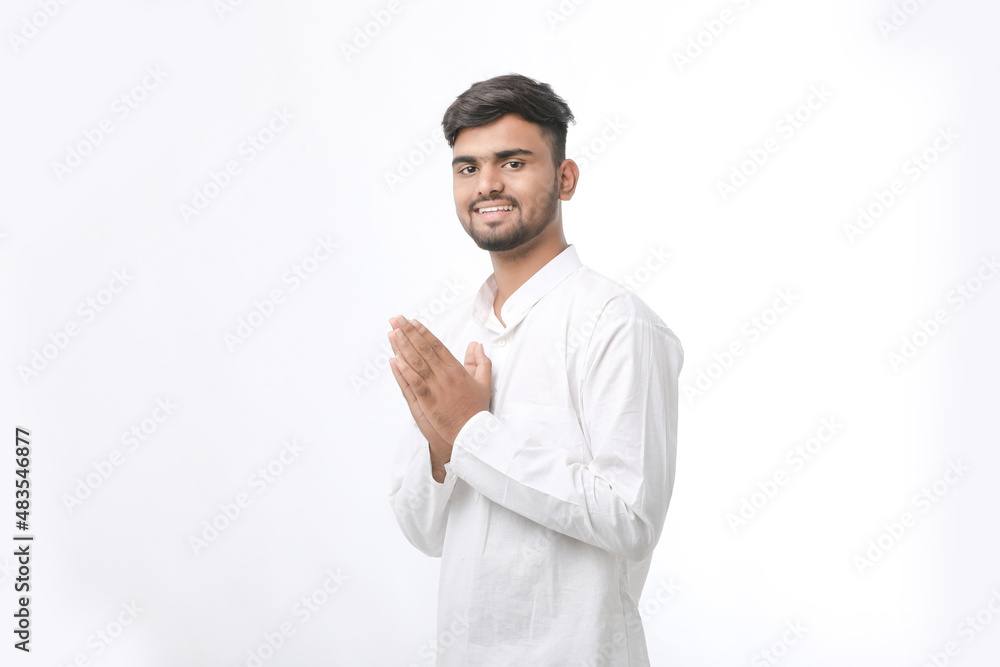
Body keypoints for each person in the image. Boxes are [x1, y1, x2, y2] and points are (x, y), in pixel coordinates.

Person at [386, 73, 683, 666]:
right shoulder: (455, 334)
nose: (487, 184)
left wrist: (471, 431)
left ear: (565, 179)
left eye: (513, 162)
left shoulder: (617, 324)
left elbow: (630, 519)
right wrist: (443, 447)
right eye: (466, 167)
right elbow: (425, 532)